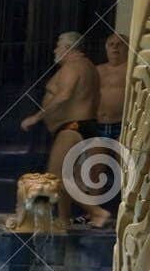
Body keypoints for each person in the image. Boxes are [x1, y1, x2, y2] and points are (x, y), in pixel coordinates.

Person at [21, 31, 107, 228]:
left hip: (73, 127)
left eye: (58, 45)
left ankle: (97, 213)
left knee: (55, 177)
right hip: (86, 126)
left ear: (68, 48)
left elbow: (64, 96)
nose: (55, 50)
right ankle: (64, 219)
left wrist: (36, 117)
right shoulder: (90, 67)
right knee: (68, 176)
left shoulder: (72, 66)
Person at [97, 32, 128, 143]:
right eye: (111, 44)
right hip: (98, 124)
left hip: (123, 126)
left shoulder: (132, 71)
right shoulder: (97, 70)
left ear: (127, 48)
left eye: (120, 44)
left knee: (121, 159)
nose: (115, 47)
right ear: (107, 49)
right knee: (97, 160)